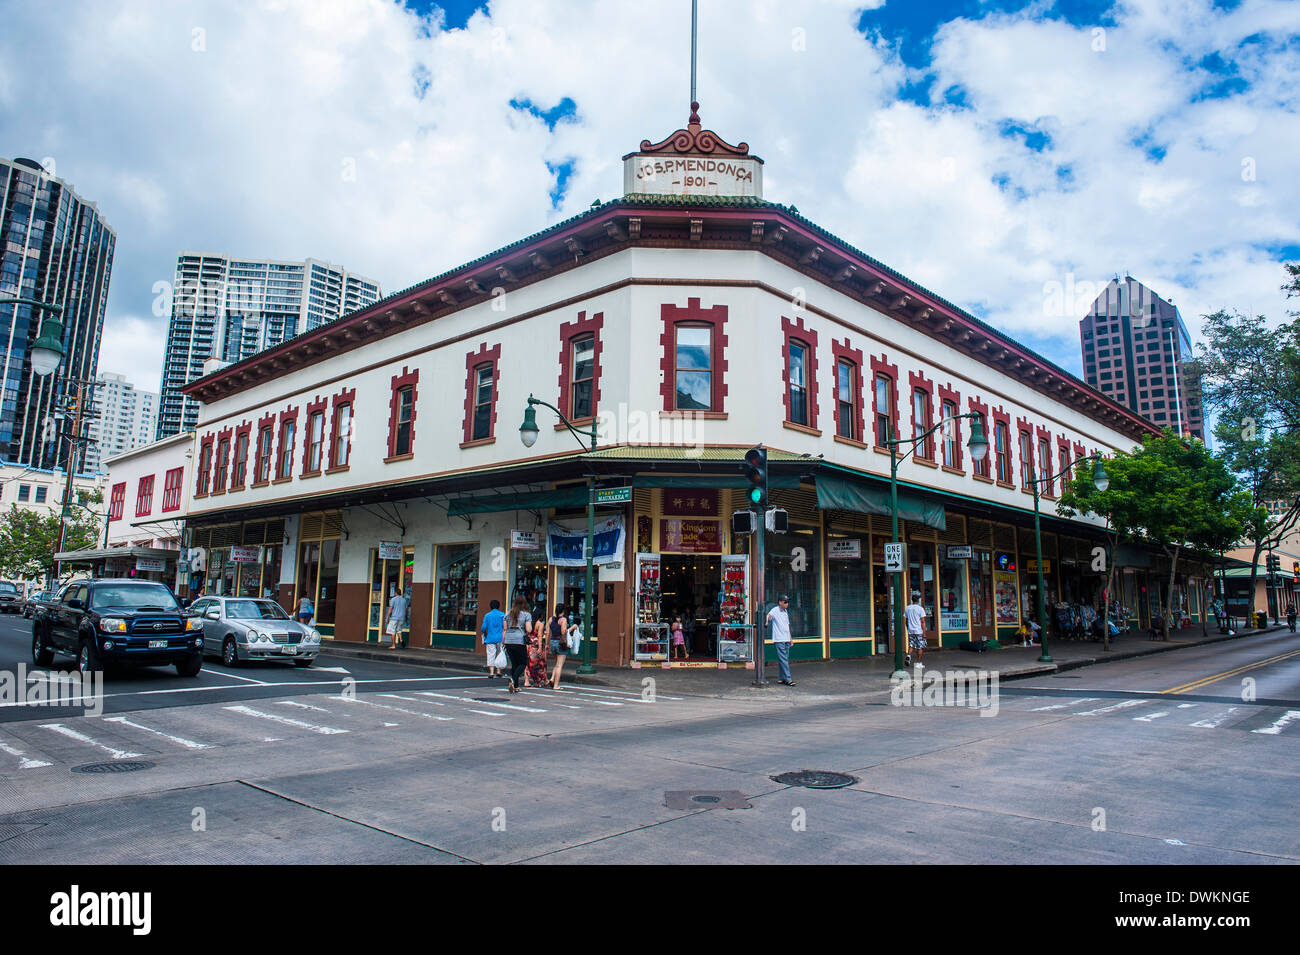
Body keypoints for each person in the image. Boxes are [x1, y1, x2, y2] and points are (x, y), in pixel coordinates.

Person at [502, 596, 532, 693]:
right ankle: (513, 680)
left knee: (514, 663)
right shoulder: (526, 615)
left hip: (508, 639)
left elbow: (505, 628)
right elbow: (528, 629)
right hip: (519, 640)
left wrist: (503, 641)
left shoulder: (508, 613)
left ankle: (515, 685)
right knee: (523, 663)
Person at [766, 595, 795, 686]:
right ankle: (788, 679)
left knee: (784, 659)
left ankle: (782, 678)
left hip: (786, 638)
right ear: (780, 602)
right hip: (779, 639)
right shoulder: (775, 610)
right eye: (785, 602)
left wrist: (790, 639)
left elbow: (787, 626)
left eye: (787, 602)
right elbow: (768, 615)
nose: (787, 604)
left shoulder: (785, 612)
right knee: (784, 659)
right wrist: (766, 622)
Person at [481, 599, 506, 678]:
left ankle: (491, 672)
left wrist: (485, 633)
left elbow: (483, 628)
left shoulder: (487, 615)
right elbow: (505, 627)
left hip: (490, 638)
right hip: (500, 638)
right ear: (498, 606)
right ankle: (498, 671)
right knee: (499, 654)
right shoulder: (502, 615)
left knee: (491, 654)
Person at [547, 603, 569, 689]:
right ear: (563, 611)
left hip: (552, 641)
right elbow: (563, 632)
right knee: (560, 665)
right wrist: (570, 629)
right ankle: (556, 685)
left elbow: (548, 632)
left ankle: (552, 678)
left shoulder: (551, 619)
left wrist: (547, 644)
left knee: (556, 663)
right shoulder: (563, 620)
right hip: (560, 642)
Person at [904, 592, 928, 666]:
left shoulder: (908, 608)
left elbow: (905, 620)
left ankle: (908, 655)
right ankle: (918, 663)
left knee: (911, 645)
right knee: (920, 647)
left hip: (911, 630)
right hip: (918, 630)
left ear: (912, 600)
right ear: (918, 600)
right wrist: (924, 632)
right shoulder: (920, 609)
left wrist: (907, 628)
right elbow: (923, 621)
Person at [526, 618, 549, 688]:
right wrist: (540, 647)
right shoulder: (540, 624)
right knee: (540, 664)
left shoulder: (528, 623)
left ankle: (526, 681)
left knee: (528, 663)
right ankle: (538, 681)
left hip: (529, 645)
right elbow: (539, 636)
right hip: (536, 645)